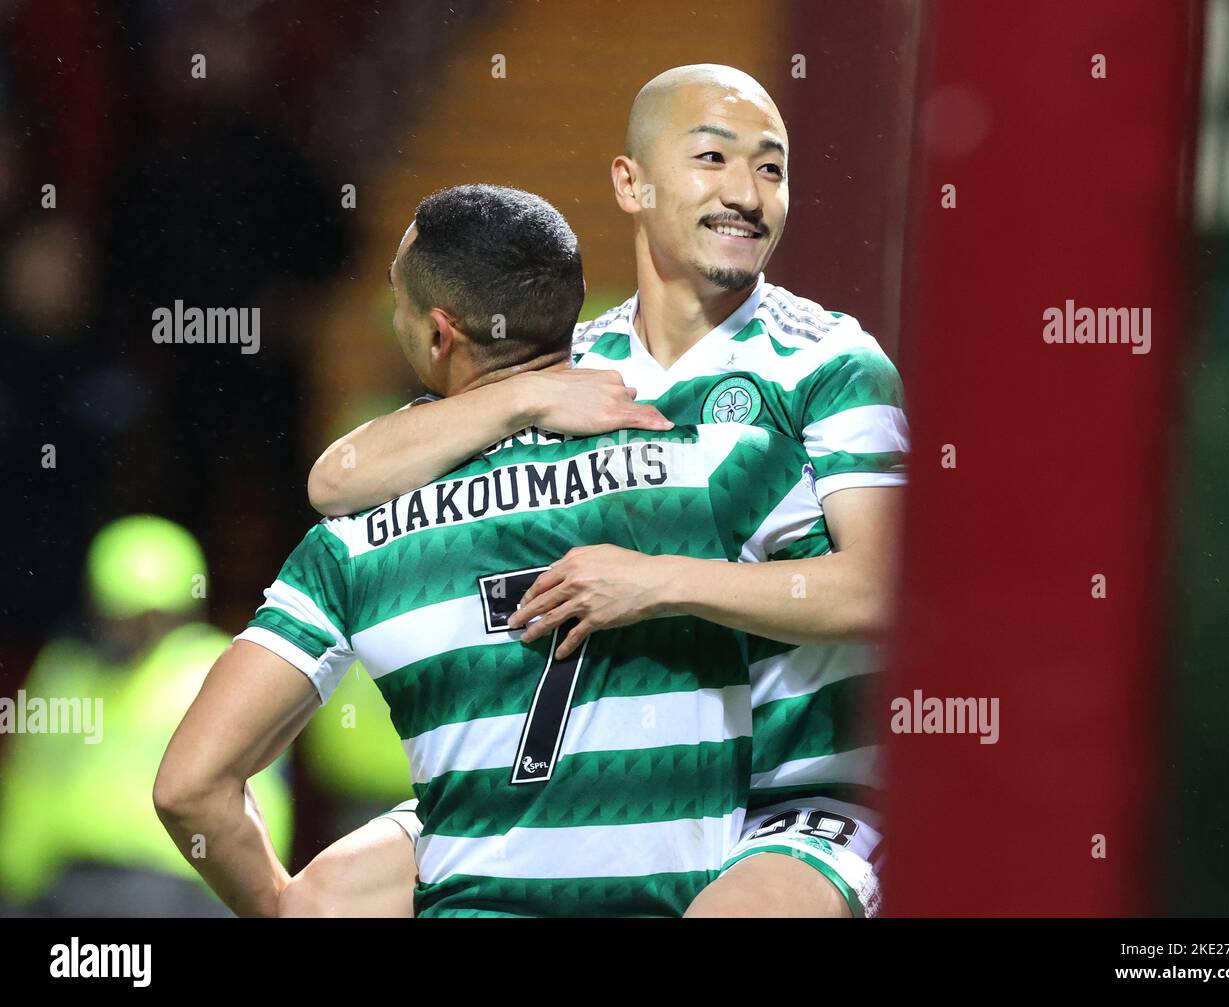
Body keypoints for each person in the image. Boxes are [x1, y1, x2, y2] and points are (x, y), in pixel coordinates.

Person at [301, 64, 907, 917]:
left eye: (771, 168)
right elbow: (340, 479)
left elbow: (882, 590)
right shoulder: (570, 364)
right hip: (607, 788)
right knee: (324, 896)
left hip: (788, 802)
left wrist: (649, 580)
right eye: (713, 158)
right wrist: (518, 396)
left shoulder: (830, 362)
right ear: (631, 181)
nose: (746, 192)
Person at [156, 184, 847, 917]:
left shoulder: (355, 535)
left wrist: (277, 908)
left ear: (438, 335)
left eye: (399, 300)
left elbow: (190, 787)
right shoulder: (708, 462)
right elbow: (862, 597)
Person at [0, 515, 292, 917]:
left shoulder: (215, 665)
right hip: (66, 884)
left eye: (149, 617)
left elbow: (259, 796)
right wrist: (15, 885)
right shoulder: (65, 670)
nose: (131, 630)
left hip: (181, 888)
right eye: (118, 615)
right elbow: (31, 782)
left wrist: (252, 895)